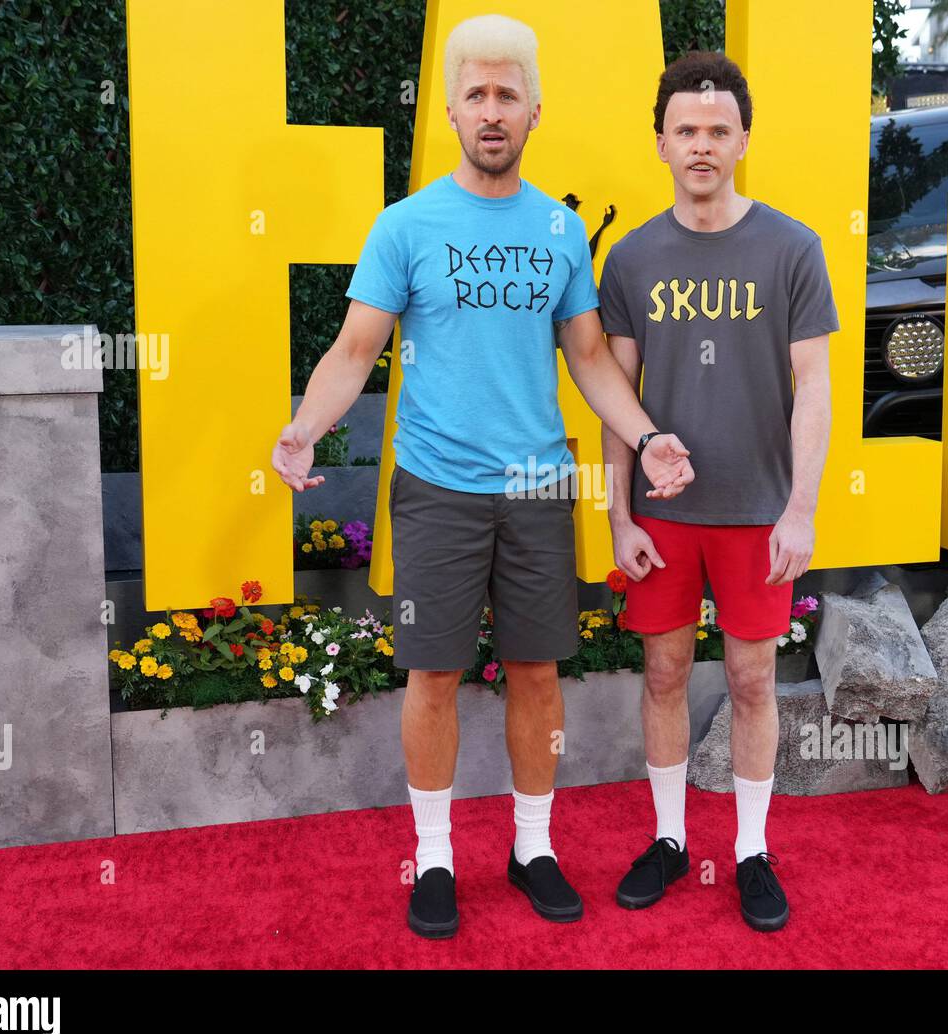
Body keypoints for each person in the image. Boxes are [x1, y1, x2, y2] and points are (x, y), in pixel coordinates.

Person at [270, 14, 694, 940]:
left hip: (539, 488)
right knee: (432, 677)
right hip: (435, 487)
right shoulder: (406, 225)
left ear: (534, 111)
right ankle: (433, 856)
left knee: (538, 675)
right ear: (453, 110)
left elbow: (588, 359)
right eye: (476, 96)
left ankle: (532, 847)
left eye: (508, 95)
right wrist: (305, 429)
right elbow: (354, 349)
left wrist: (648, 432)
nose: (491, 111)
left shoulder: (558, 230)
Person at [597, 51, 838, 932]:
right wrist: (618, 513)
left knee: (749, 681)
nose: (702, 145)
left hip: (756, 513)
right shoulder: (629, 259)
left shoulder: (792, 248)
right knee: (662, 673)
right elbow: (614, 398)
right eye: (686, 130)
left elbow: (813, 388)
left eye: (718, 131)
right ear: (661, 140)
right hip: (662, 517)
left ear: (743, 140)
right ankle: (668, 839)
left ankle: (749, 850)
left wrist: (802, 507)